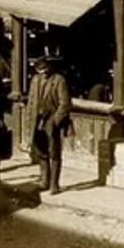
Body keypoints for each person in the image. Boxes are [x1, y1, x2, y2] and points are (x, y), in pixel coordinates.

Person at [26, 55, 72, 195]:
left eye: (45, 69)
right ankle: (44, 181)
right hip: (37, 119)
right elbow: (31, 100)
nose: (43, 72)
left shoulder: (59, 80)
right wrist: (30, 119)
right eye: (40, 70)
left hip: (51, 120)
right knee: (41, 151)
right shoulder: (35, 80)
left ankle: (54, 184)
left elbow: (65, 104)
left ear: (50, 67)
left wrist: (55, 121)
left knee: (54, 152)